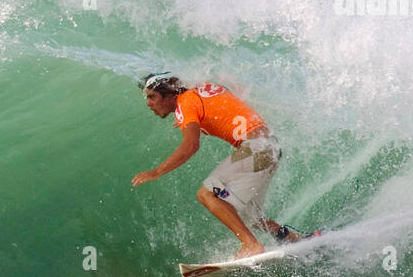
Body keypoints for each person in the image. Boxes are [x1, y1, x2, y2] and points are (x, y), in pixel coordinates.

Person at [131, 72, 315, 259]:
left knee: (206, 194)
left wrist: (156, 172)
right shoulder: (200, 91)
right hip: (271, 148)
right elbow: (222, 98)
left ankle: (250, 245)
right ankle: (294, 238)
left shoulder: (185, 103)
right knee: (248, 217)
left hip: (257, 148)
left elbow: (191, 146)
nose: (149, 103)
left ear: (169, 94)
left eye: (152, 97)